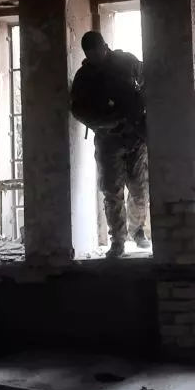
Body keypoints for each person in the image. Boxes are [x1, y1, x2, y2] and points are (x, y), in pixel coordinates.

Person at [71, 31, 150, 258]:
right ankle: (118, 240)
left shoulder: (126, 61)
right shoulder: (84, 77)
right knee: (111, 191)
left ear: (106, 45)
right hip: (108, 139)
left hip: (135, 135)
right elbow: (77, 110)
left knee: (139, 188)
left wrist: (141, 104)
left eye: (100, 51)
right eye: (92, 55)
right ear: (87, 54)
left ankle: (138, 231)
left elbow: (146, 77)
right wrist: (105, 121)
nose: (98, 57)